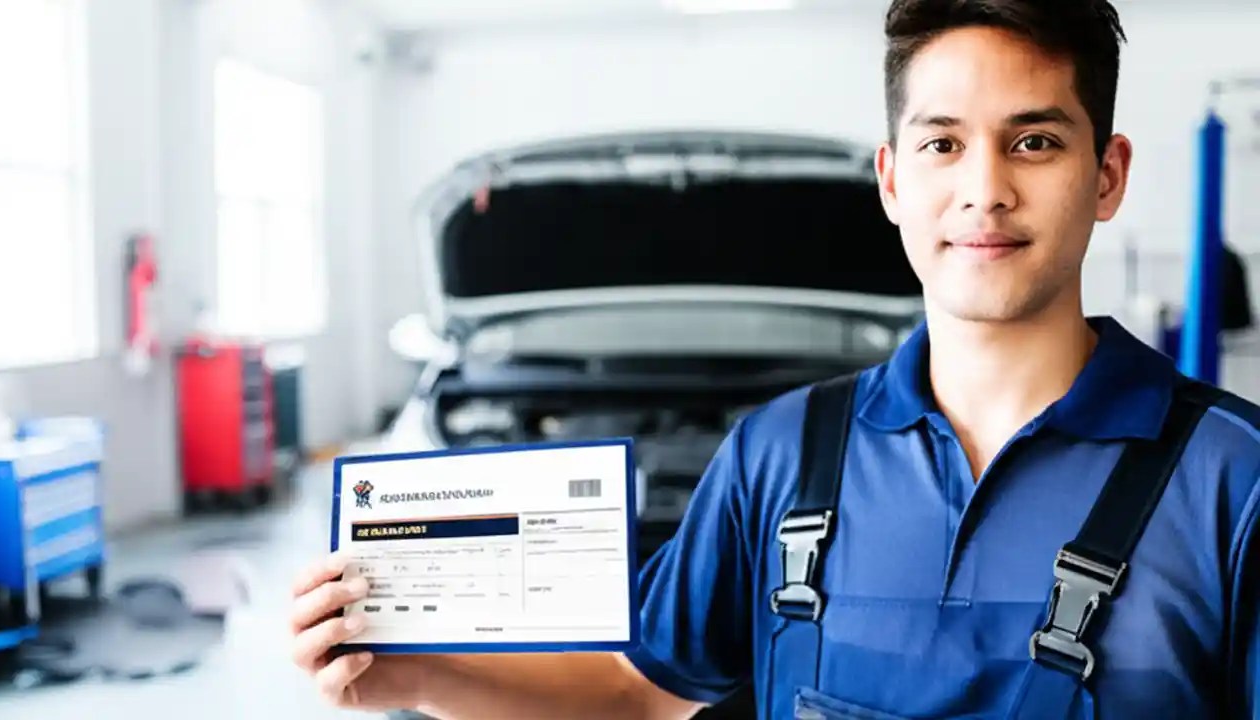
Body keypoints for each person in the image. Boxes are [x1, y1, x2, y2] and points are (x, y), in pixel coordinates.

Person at [289, 0, 1260, 717]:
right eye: (940, 145)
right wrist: (411, 673)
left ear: (1105, 175)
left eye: (1033, 141)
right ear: (889, 179)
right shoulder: (782, 454)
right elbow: (635, 691)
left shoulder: (1232, 481)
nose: (983, 190)